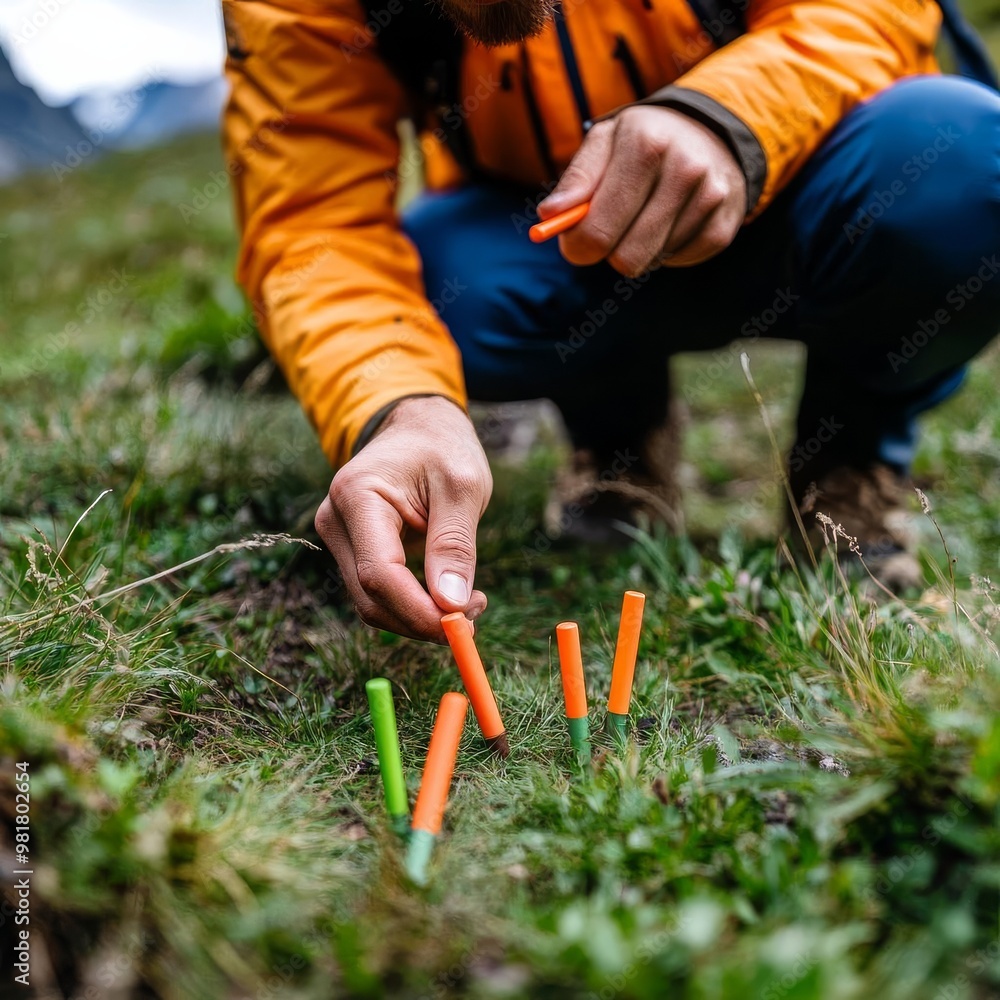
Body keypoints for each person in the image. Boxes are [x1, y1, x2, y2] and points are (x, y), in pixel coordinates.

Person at [221, 0, 1000, 642]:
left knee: (964, 169)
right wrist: (398, 406)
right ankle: (618, 437)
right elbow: (311, 224)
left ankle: (850, 464)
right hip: (552, 237)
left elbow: (865, 12)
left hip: (805, 174)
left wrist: (726, 117)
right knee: (438, 284)